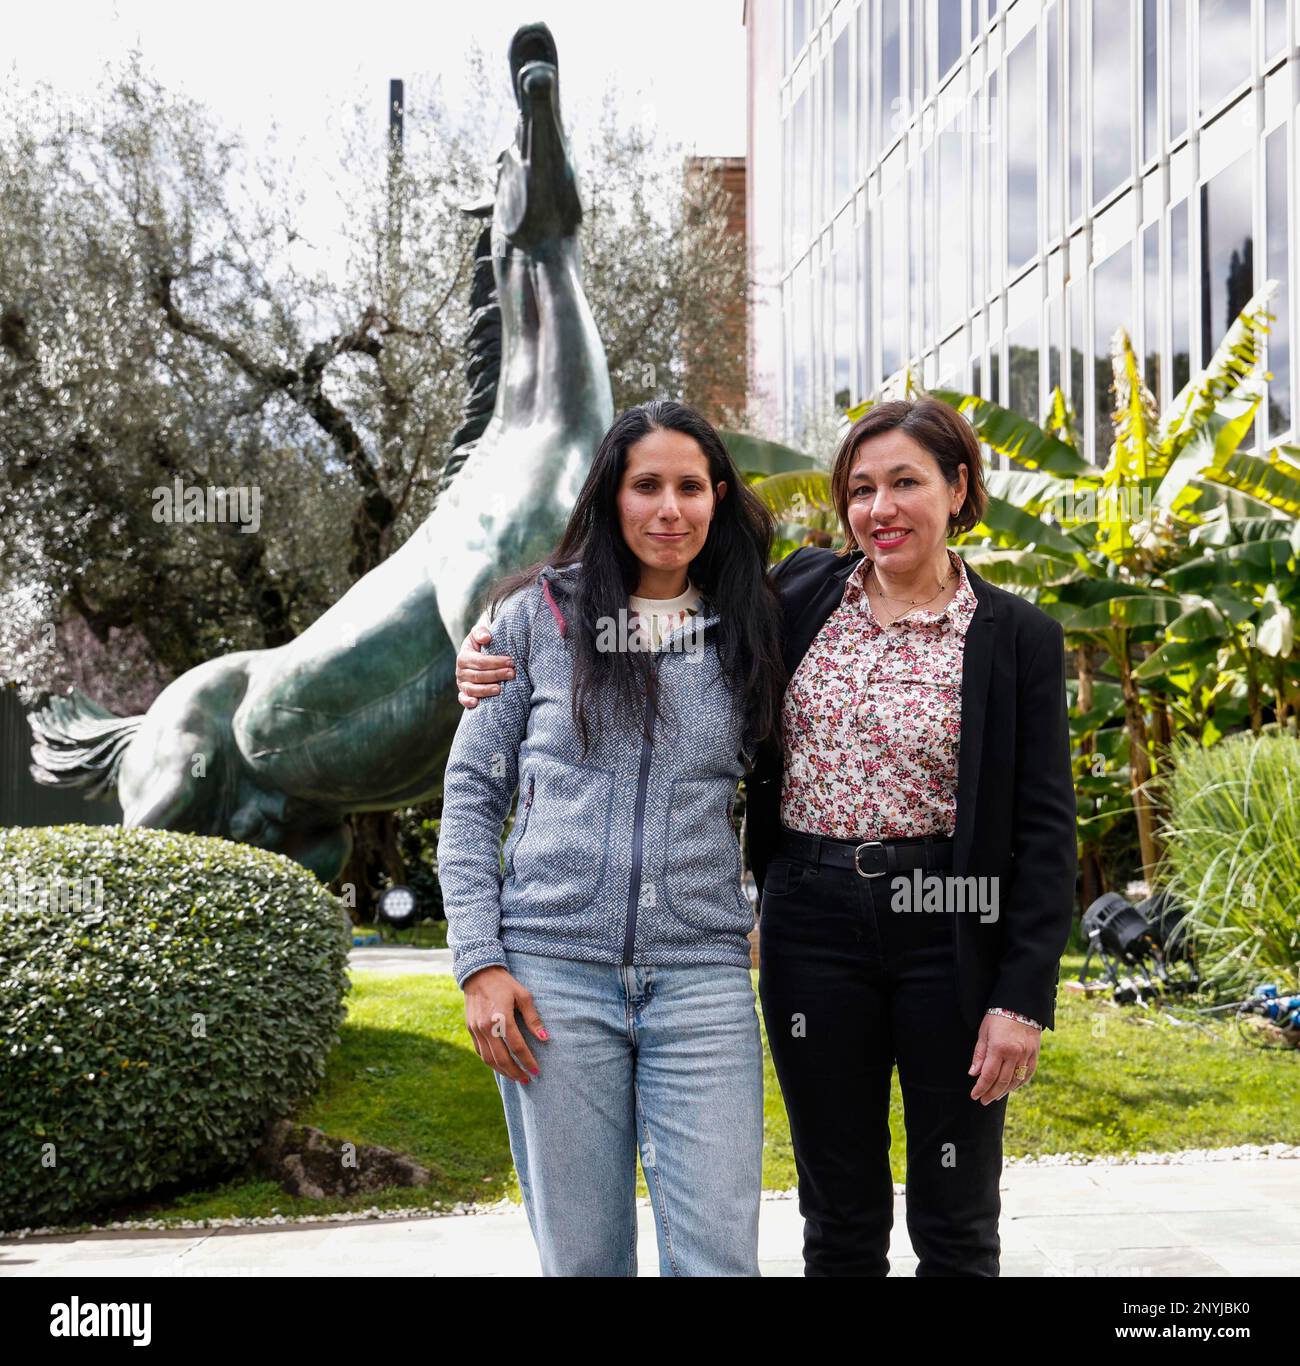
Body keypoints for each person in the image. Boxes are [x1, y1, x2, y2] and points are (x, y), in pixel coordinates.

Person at [455, 397, 1077, 1277]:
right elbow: (588, 656)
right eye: (861, 488)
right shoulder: (798, 595)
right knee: (839, 1206)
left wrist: (1022, 996)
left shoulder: (1014, 637)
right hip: (812, 921)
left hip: (946, 924)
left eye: (906, 482)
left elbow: (1046, 833)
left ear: (959, 487)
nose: (881, 508)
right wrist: (484, 650)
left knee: (957, 1210)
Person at [436, 398, 785, 1277]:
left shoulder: (752, 626)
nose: (671, 508)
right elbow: (473, 794)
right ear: (610, 498)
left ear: (718, 500)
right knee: (584, 1261)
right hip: (553, 983)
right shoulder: (530, 621)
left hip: (700, 982)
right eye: (647, 485)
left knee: (719, 1260)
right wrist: (480, 962)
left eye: (692, 487)